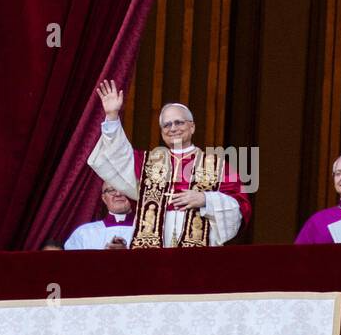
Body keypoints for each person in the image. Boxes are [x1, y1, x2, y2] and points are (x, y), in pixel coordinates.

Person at [88, 80, 250, 247]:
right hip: (151, 256)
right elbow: (118, 155)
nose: (172, 128)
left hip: (199, 256)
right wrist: (112, 116)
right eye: (166, 124)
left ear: (192, 127)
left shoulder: (217, 166)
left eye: (179, 122)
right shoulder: (147, 163)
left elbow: (239, 208)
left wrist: (205, 199)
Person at [64, 183, 136, 250]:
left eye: (123, 189)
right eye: (111, 190)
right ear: (104, 198)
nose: (118, 194)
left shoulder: (145, 232)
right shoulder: (84, 232)